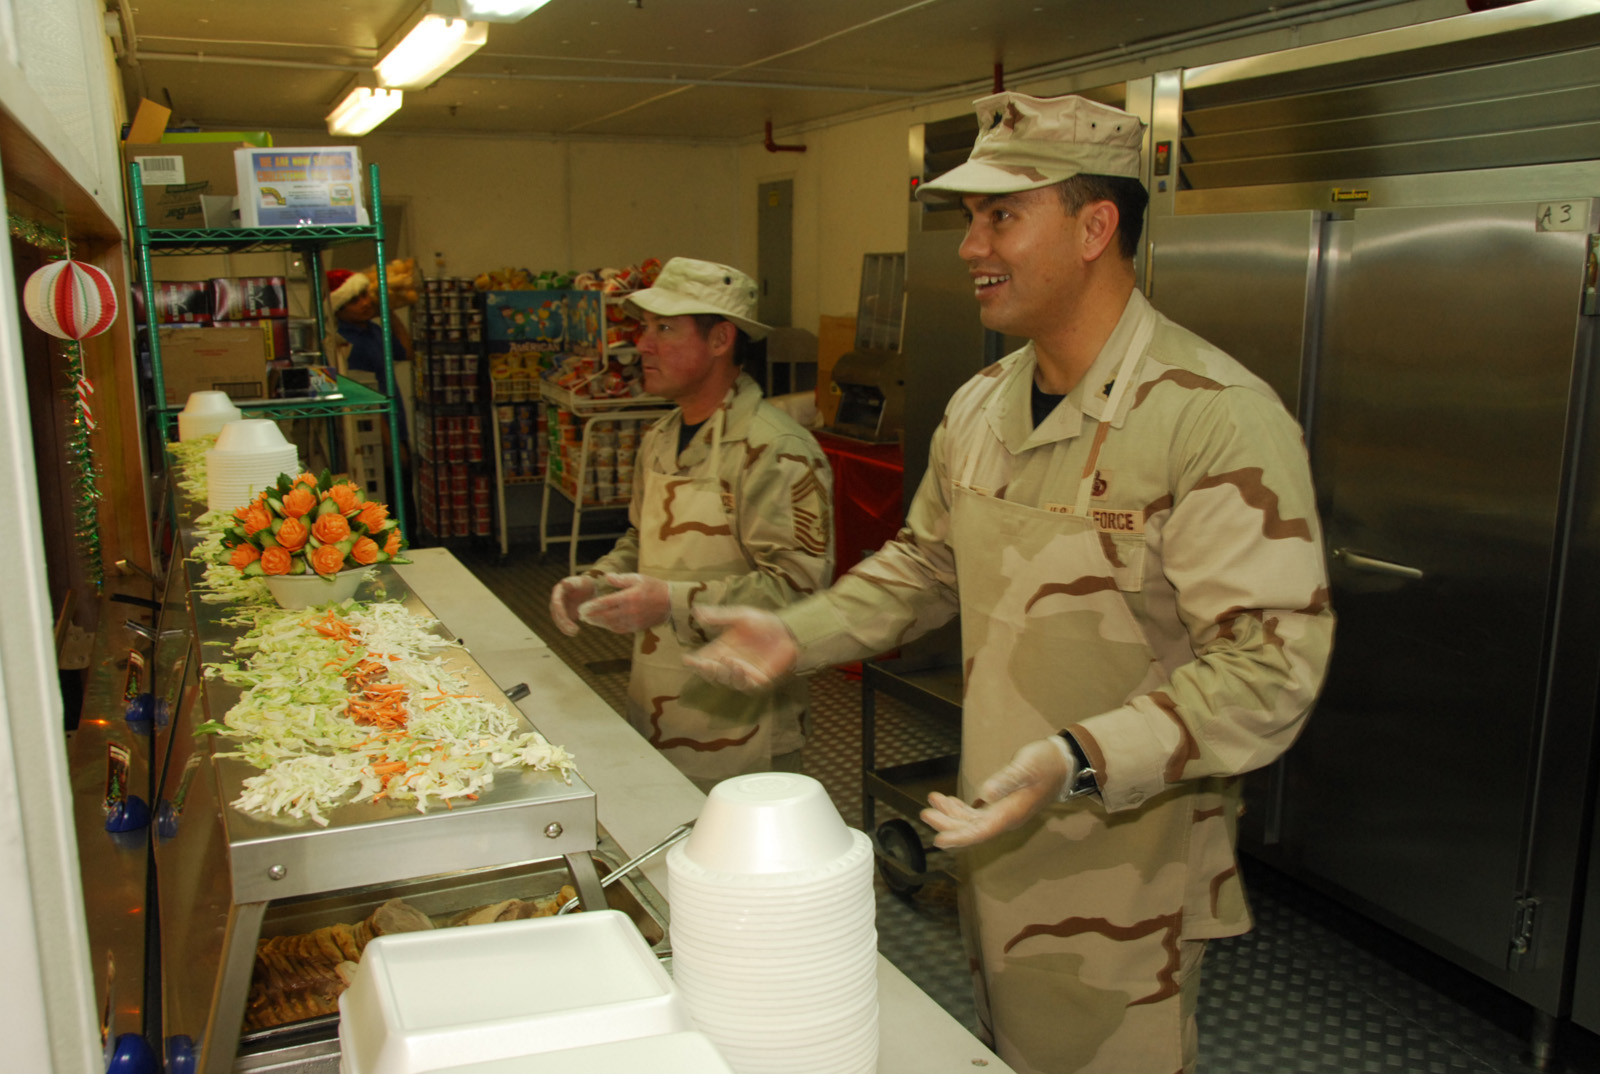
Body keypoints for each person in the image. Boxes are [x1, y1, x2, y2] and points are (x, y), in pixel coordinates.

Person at [682, 93, 1334, 1074]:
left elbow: (1269, 669)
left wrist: (1076, 755)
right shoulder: (983, 406)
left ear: (1094, 226)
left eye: (1001, 215)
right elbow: (925, 566)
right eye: (967, 217)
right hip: (995, 839)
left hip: (1124, 878)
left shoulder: (1211, 419)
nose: (968, 245)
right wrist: (801, 634)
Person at [549, 257, 834, 791]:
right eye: (645, 328)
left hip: (744, 723)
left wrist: (670, 602)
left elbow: (799, 589)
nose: (643, 345)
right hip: (657, 705)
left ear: (722, 339)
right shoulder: (660, 437)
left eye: (665, 329)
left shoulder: (775, 450)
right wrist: (596, 580)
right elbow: (642, 540)